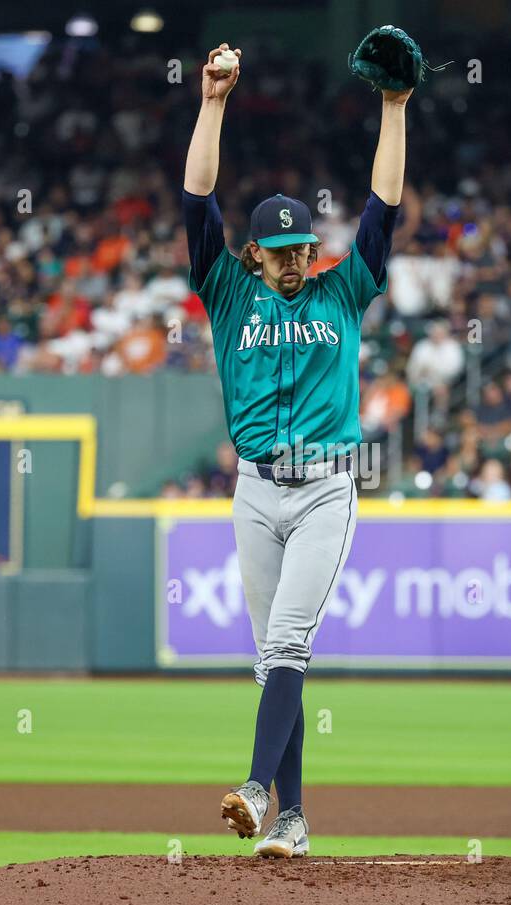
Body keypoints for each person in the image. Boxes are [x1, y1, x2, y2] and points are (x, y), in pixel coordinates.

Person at [182, 42, 407, 858]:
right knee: (274, 659)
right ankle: (294, 818)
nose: (292, 261)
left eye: (302, 249)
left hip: (322, 492)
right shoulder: (226, 287)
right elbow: (196, 194)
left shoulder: (342, 288)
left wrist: (393, 110)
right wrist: (212, 104)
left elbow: (383, 207)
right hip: (253, 490)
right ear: (253, 255)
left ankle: (254, 788)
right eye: (279, 252)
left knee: (285, 645)